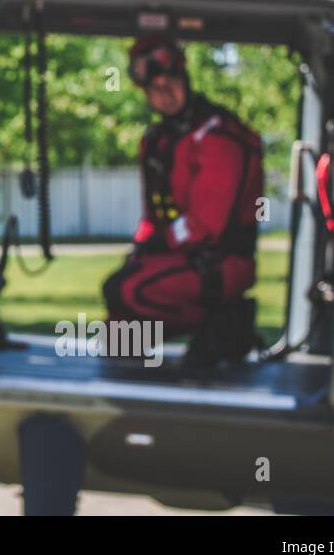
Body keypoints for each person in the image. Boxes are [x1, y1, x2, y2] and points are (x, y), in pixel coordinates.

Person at [101, 34, 264, 367]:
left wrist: (158, 245)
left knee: (129, 291)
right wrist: (142, 247)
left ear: (184, 78)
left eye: (170, 84)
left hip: (221, 261)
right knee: (117, 330)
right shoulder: (158, 142)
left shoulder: (219, 136)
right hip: (181, 257)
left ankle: (226, 324)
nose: (165, 95)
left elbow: (207, 225)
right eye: (155, 89)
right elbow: (154, 217)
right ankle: (132, 396)